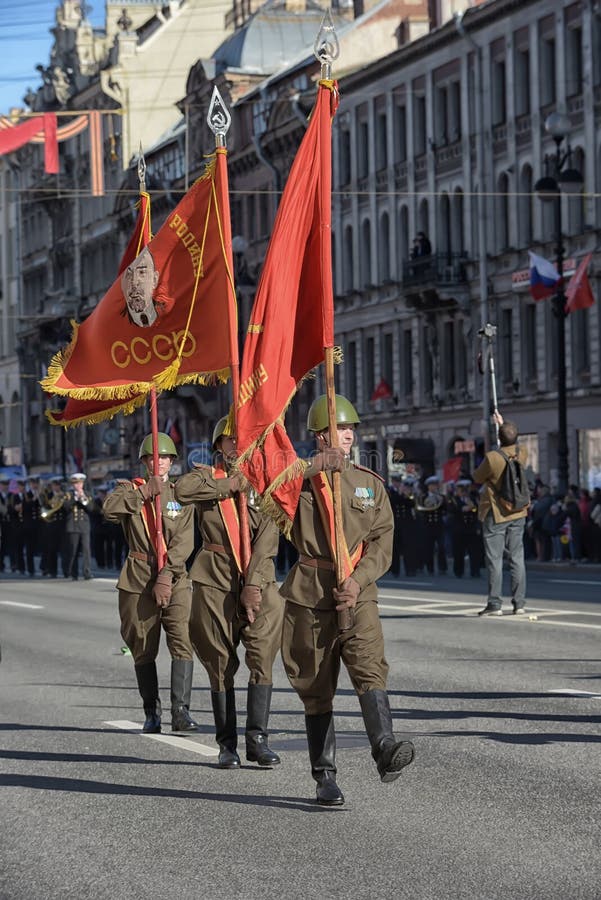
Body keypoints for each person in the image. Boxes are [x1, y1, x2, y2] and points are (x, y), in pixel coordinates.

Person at [279, 394, 415, 806]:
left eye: (351, 427)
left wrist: (358, 581)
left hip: (358, 594)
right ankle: (325, 777)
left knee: (370, 668)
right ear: (320, 436)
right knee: (316, 686)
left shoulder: (369, 484)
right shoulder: (297, 480)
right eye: (340, 427)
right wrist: (311, 468)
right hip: (310, 592)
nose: (349, 434)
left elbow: (381, 541)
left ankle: (385, 748)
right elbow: (265, 488)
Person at [175, 416, 283, 768]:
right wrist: (229, 486)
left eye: (245, 439)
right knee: (219, 661)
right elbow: (182, 490)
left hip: (259, 577)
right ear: (218, 446)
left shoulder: (267, 482)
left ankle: (258, 740)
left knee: (263, 655)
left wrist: (253, 585)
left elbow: (269, 538)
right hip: (214, 577)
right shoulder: (209, 477)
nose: (238, 445)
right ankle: (227, 744)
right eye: (230, 440)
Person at [102, 432, 200, 734]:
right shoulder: (131, 490)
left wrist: (167, 575)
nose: (160, 463)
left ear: (172, 462)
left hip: (175, 577)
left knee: (182, 641)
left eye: (166, 458)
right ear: (145, 461)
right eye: (154, 457)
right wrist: (144, 494)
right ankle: (151, 712)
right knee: (142, 646)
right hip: (138, 574)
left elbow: (184, 541)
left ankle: (181, 711)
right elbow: (108, 511)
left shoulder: (181, 494)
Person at [473, 411, 528, 615]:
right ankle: (519, 603)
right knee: (517, 557)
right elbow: (512, 441)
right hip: (518, 511)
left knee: (495, 559)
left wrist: (498, 433)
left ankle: (495, 603)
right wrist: (503, 424)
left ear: (499, 438)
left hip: (496, 512)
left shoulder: (492, 457)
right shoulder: (522, 452)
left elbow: (478, 477)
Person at [63, 473, 96, 580]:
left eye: (80, 483)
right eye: (76, 483)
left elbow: (91, 508)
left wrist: (83, 499)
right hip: (73, 526)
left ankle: (87, 572)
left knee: (86, 550)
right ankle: (74, 573)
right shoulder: (68, 495)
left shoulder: (87, 494)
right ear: (73, 484)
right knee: (73, 550)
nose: (78, 485)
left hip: (84, 526)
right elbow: (66, 508)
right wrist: (75, 498)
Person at [121, 246, 159, 328]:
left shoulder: (169, 316)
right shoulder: (117, 325)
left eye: (142, 272)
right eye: (129, 275)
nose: (134, 283)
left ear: (155, 280)